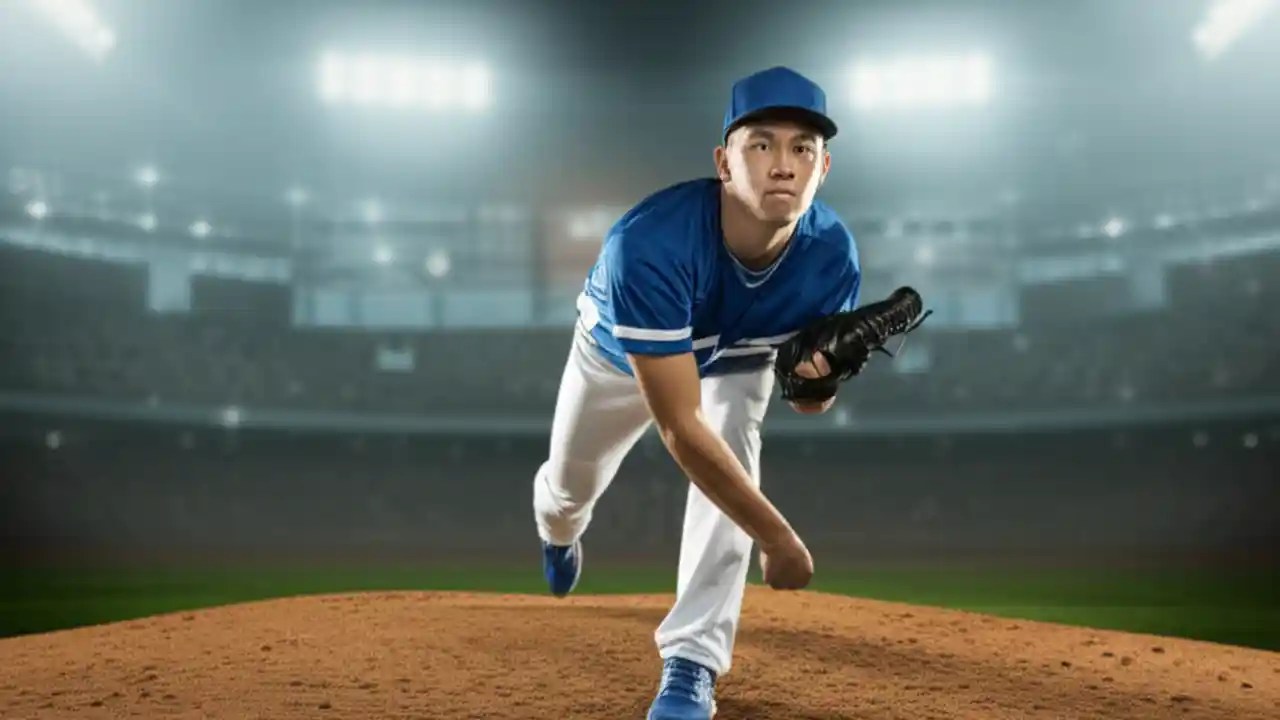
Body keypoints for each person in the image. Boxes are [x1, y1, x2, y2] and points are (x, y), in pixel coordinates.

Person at [533, 66, 861, 720]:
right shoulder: (648, 245)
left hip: (738, 357)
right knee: (571, 488)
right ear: (723, 162)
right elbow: (680, 428)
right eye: (761, 144)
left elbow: (808, 400)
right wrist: (778, 538)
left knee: (735, 442)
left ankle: (692, 662)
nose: (784, 164)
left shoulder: (832, 255)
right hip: (618, 359)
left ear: (823, 167)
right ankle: (558, 531)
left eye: (803, 148)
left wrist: (822, 377)